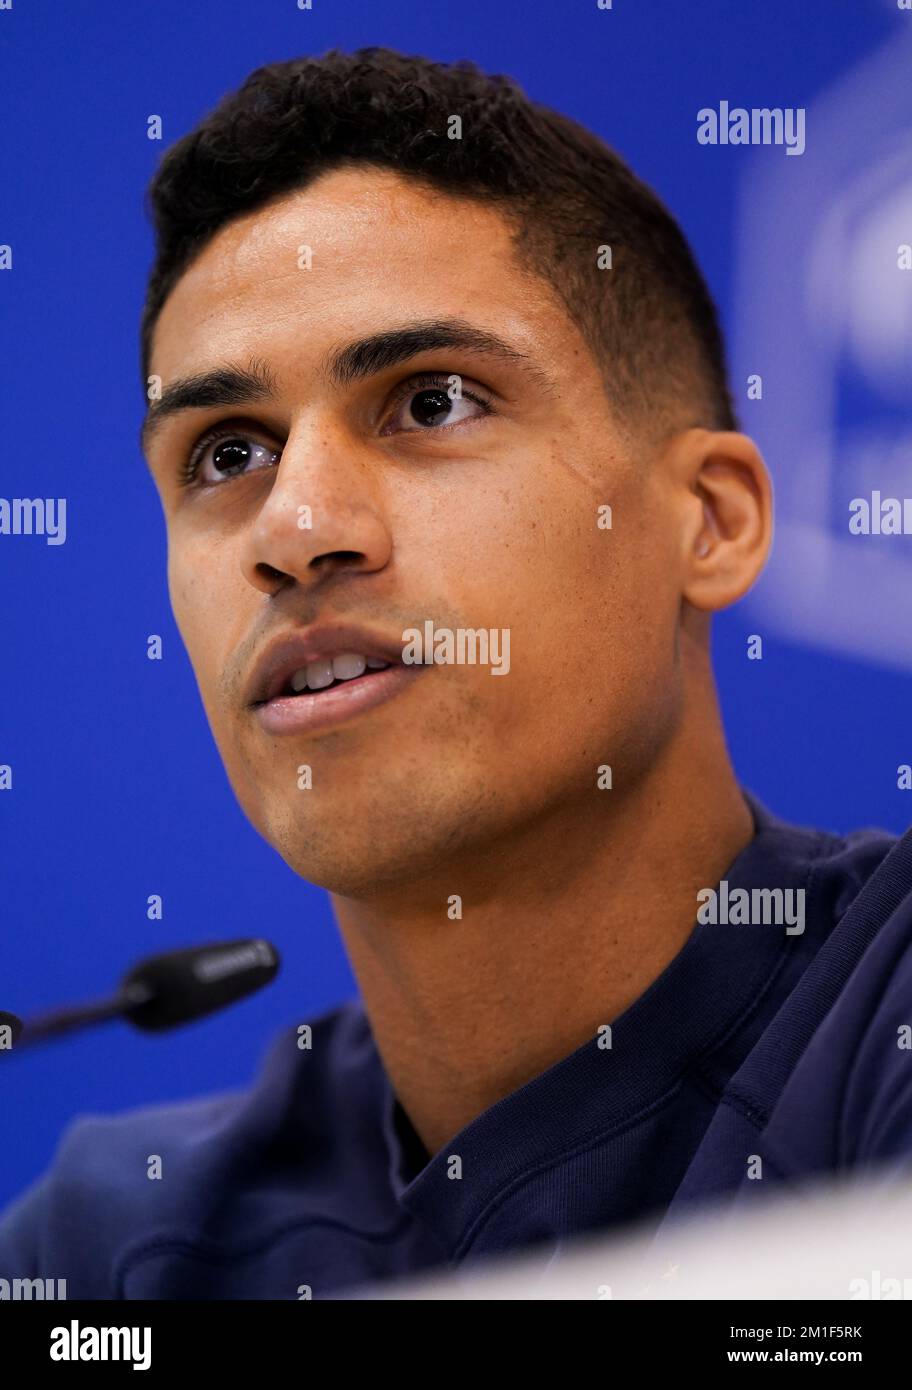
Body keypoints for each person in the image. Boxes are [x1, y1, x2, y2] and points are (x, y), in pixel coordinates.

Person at [2, 46, 911, 1301]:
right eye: (226, 455)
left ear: (709, 520)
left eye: (432, 402)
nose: (295, 528)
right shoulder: (111, 1248)